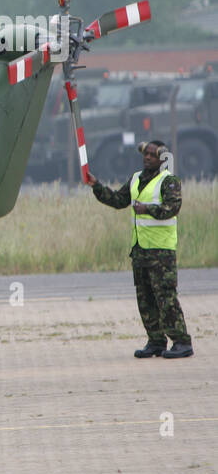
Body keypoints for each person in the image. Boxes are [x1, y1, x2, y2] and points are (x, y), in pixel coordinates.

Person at [88, 140, 193, 359]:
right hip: (140, 250)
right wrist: (96, 186)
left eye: (152, 155)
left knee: (165, 297)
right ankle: (156, 341)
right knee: (145, 298)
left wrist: (147, 209)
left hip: (161, 251)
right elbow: (118, 200)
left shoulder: (169, 181)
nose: (147, 158)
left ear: (161, 159)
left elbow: (172, 208)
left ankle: (182, 341)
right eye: (145, 154)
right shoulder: (136, 179)